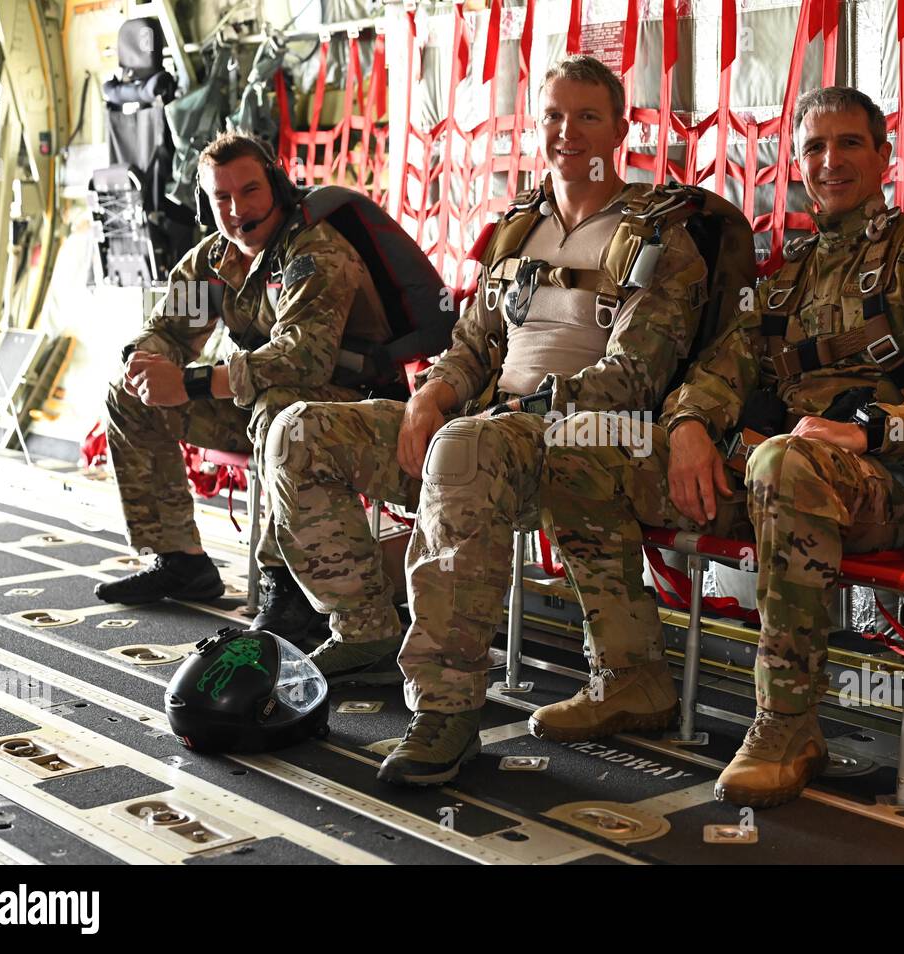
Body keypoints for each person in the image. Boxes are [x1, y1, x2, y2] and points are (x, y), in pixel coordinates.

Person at [542, 86, 904, 807]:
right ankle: (630, 675)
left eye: (850, 143)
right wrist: (691, 424)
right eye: (814, 148)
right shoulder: (787, 279)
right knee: (580, 451)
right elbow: (727, 366)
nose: (831, 161)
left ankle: (788, 725)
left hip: (890, 485)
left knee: (780, 460)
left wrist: (873, 429)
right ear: (797, 163)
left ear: (884, 156)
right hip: (779, 476)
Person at [351, 54, 745, 786]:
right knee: (309, 430)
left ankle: (445, 710)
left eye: (588, 116)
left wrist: (510, 414)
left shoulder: (657, 238)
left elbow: (631, 380)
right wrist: (432, 394)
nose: (569, 132)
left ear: (621, 127)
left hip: (605, 437)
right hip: (494, 425)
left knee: (467, 448)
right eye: (554, 116)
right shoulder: (518, 231)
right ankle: (357, 633)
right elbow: (473, 344)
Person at [97, 132, 387, 645]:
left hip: (350, 407)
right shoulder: (213, 260)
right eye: (221, 198)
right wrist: (147, 363)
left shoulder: (314, 250)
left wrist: (191, 381)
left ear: (275, 185)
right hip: (258, 401)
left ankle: (290, 586)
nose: (237, 210)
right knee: (127, 393)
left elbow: (305, 360)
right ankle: (180, 559)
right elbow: (167, 329)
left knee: (281, 407)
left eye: (249, 191)